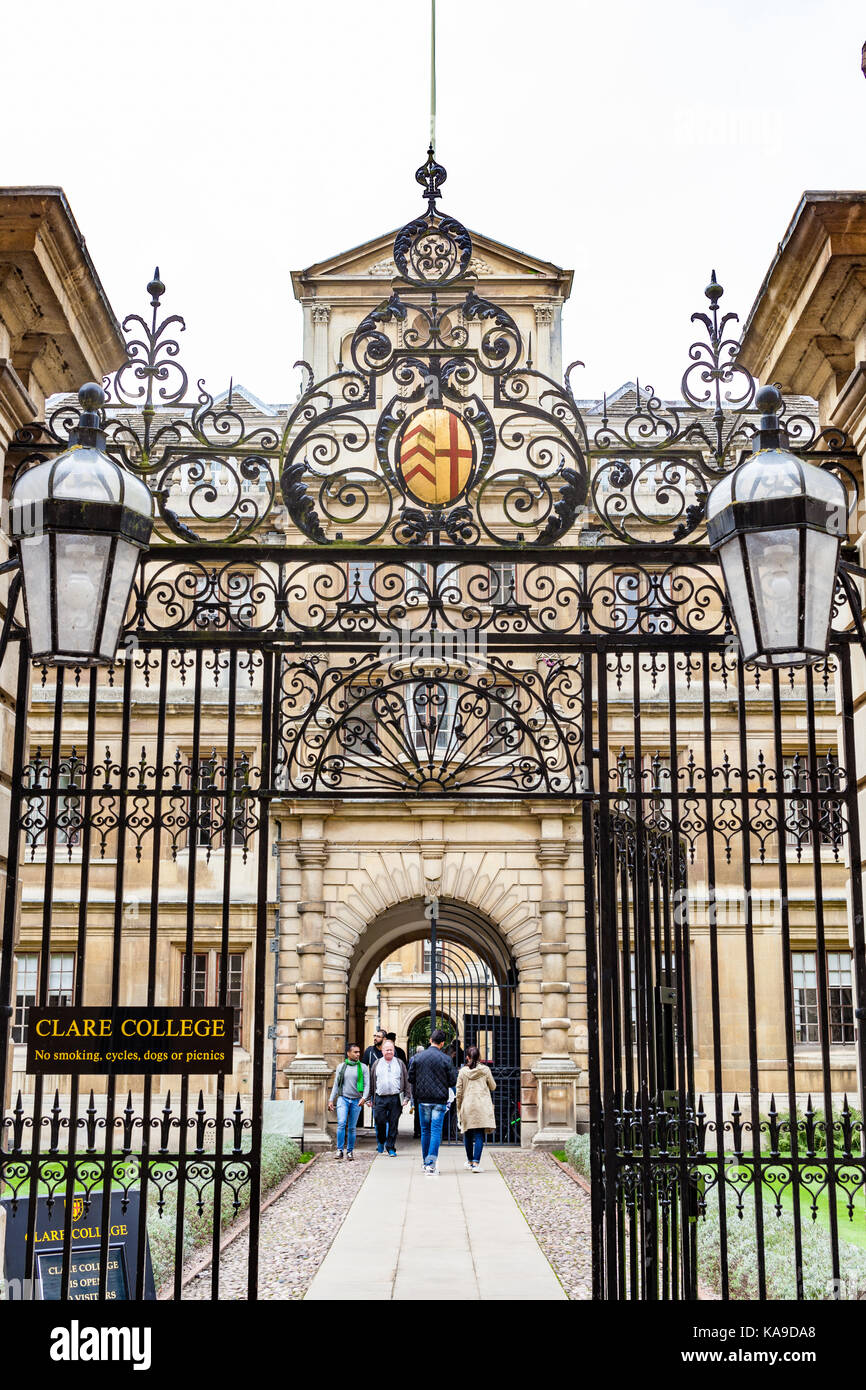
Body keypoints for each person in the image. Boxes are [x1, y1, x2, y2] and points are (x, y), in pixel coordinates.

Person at [407, 1027, 457, 1176]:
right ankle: (431, 1165)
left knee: (425, 1131)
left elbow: (411, 1078)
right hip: (439, 1100)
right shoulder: (446, 1059)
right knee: (436, 1131)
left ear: (430, 1040)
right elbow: (452, 1080)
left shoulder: (417, 1058)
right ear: (442, 1043)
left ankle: (425, 1162)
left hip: (422, 1099)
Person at [456, 1044, 496, 1171]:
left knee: (467, 1133)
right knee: (479, 1134)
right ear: (479, 1057)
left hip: (467, 1105)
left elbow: (459, 1092)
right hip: (481, 1105)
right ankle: (476, 1163)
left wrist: (459, 1108)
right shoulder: (485, 1070)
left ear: (467, 1057)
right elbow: (493, 1086)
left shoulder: (462, 1072)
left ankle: (469, 1161)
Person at [367, 1038, 410, 1155]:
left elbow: (406, 1081)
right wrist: (368, 1098)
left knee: (393, 1123)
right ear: (382, 1051)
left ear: (394, 1050)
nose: (389, 1052)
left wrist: (407, 1097)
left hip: (395, 1098)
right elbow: (371, 1082)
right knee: (379, 1121)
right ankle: (381, 1141)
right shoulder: (376, 1064)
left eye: (391, 1050)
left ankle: (390, 1147)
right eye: (387, 1050)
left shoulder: (400, 1063)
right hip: (380, 1098)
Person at [327, 1043, 369, 1161]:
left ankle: (350, 1151)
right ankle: (340, 1150)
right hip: (343, 1099)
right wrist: (331, 1099)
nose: (358, 1054)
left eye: (359, 1052)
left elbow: (367, 1085)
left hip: (356, 1100)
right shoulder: (341, 1067)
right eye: (355, 1052)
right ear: (348, 1053)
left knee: (352, 1127)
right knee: (341, 1123)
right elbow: (336, 1084)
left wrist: (364, 1098)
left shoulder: (363, 1067)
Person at [361, 1029, 385, 1127]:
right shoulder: (369, 1051)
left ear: (384, 1039)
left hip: (388, 1088)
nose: (375, 1038)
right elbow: (363, 1068)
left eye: (378, 1036)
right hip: (374, 1088)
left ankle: (387, 1141)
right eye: (374, 1036)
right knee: (377, 1116)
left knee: (387, 1118)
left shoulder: (389, 1051)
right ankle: (380, 1141)